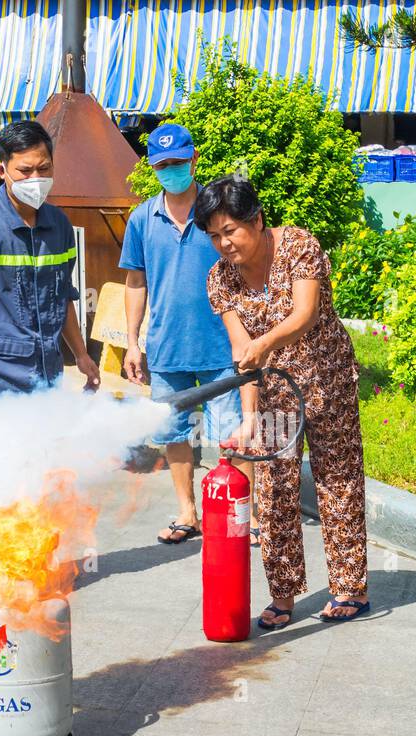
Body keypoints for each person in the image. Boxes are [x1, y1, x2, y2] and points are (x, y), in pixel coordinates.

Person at [197, 176, 370, 628]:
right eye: (214, 235)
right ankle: (284, 596)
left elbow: (304, 315)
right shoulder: (220, 279)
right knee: (273, 495)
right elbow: (243, 353)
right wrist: (250, 417)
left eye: (230, 230)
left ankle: (351, 587)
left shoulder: (297, 245)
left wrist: (264, 344)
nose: (223, 243)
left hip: (327, 380)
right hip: (275, 395)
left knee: (339, 482)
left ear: (256, 220)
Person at [120, 124, 259, 546]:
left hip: (222, 345)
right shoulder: (143, 218)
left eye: (178, 162)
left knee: (231, 434)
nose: (171, 171)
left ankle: (243, 514)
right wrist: (132, 342)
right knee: (173, 435)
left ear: (193, 158)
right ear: (152, 167)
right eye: (163, 165)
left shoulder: (215, 214)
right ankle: (187, 512)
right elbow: (135, 282)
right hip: (166, 348)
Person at [0, 120, 101, 405]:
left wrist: (81, 355)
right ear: (3, 171)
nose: (35, 178)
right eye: (25, 171)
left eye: (44, 168)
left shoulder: (59, 225)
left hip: (47, 373)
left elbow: (62, 298)